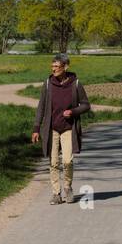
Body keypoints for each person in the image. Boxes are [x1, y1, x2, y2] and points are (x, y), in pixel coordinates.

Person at [31, 53, 92, 204]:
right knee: (53, 162)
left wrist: (73, 111)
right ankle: (56, 194)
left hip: (68, 128)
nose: (53, 69)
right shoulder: (48, 84)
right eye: (52, 66)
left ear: (65, 67)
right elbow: (41, 107)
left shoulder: (75, 84)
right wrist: (36, 128)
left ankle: (67, 188)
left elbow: (86, 105)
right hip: (51, 129)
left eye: (56, 67)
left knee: (67, 161)